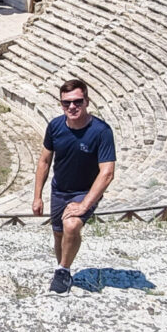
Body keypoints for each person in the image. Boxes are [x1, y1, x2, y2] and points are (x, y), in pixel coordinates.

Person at [32, 79, 116, 294]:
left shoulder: (101, 131)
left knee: (71, 225)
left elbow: (107, 173)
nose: (72, 106)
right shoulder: (55, 126)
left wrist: (85, 204)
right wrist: (37, 196)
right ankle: (62, 269)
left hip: (85, 191)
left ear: (87, 101)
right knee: (58, 234)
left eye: (78, 101)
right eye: (66, 103)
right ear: (61, 104)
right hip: (60, 189)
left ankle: (63, 270)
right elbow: (44, 161)